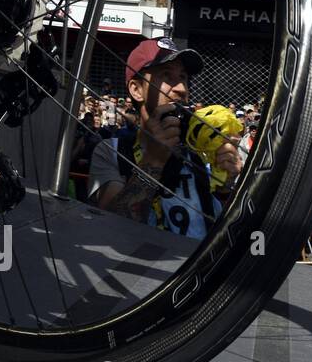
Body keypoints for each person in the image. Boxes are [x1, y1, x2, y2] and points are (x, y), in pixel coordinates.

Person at [89, 37, 241, 239]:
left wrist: (226, 183)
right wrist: (154, 160)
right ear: (136, 89)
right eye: (167, 76)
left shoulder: (197, 152)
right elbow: (112, 228)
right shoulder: (112, 151)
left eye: (184, 77)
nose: (182, 89)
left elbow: (218, 224)